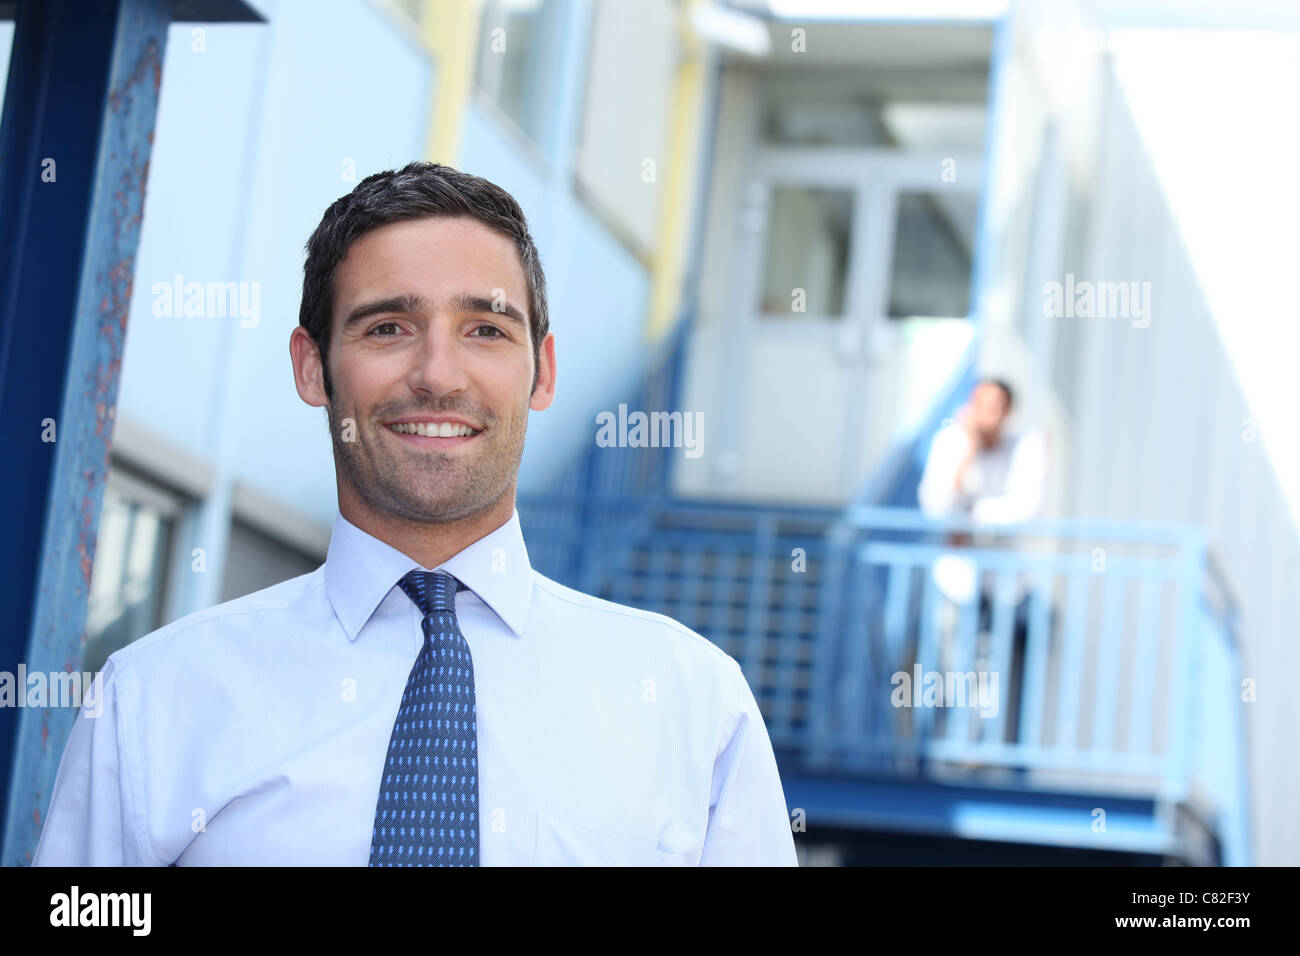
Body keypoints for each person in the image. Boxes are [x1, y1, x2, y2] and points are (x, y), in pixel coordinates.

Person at [32, 163, 797, 866]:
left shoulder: (696, 706)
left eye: (486, 330)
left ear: (543, 371)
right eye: (388, 327)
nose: (437, 375)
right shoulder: (153, 700)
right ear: (312, 367)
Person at [916, 378, 1051, 745]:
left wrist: (971, 520)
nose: (986, 416)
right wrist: (970, 450)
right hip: (955, 579)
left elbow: (1025, 510)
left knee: (987, 668)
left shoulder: (1027, 445)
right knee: (946, 663)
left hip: (1001, 583)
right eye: (980, 406)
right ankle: (941, 742)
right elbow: (936, 505)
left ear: (1007, 413)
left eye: (994, 409)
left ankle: (971, 747)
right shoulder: (953, 442)